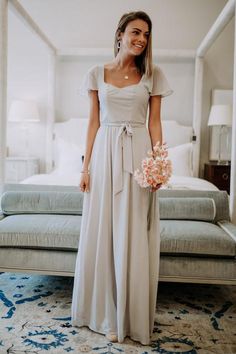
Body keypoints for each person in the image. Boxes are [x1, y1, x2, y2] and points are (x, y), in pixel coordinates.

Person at [71, 11, 173, 345]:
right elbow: (92, 123)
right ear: (120, 34)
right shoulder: (96, 73)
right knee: (104, 230)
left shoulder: (153, 74)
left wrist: (159, 162)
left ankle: (130, 316)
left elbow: (155, 122)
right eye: (135, 32)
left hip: (140, 155)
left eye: (146, 34)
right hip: (104, 156)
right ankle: (103, 314)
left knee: (132, 231)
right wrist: (85, 169)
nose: (141, 39)